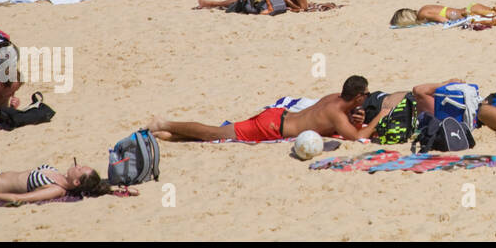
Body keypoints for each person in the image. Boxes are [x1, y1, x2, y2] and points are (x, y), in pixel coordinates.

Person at [149, 76, 371, 143]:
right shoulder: (337, 115)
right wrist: (379, 115)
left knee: (218, 135)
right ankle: (164, 123)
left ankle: (168, 135)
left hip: (277, 115)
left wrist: (357, 119)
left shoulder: (332, 98)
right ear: (359, 96)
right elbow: (358, 137)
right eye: (367, 95)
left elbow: (339, 126)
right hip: (272, 127)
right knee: (215, 134)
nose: (367, 98)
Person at [0, 160, 112, 204]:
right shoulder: (58, 174)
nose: (77, 165)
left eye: (80, 169)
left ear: (76, 182)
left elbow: (18, 198)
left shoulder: (56, 189)